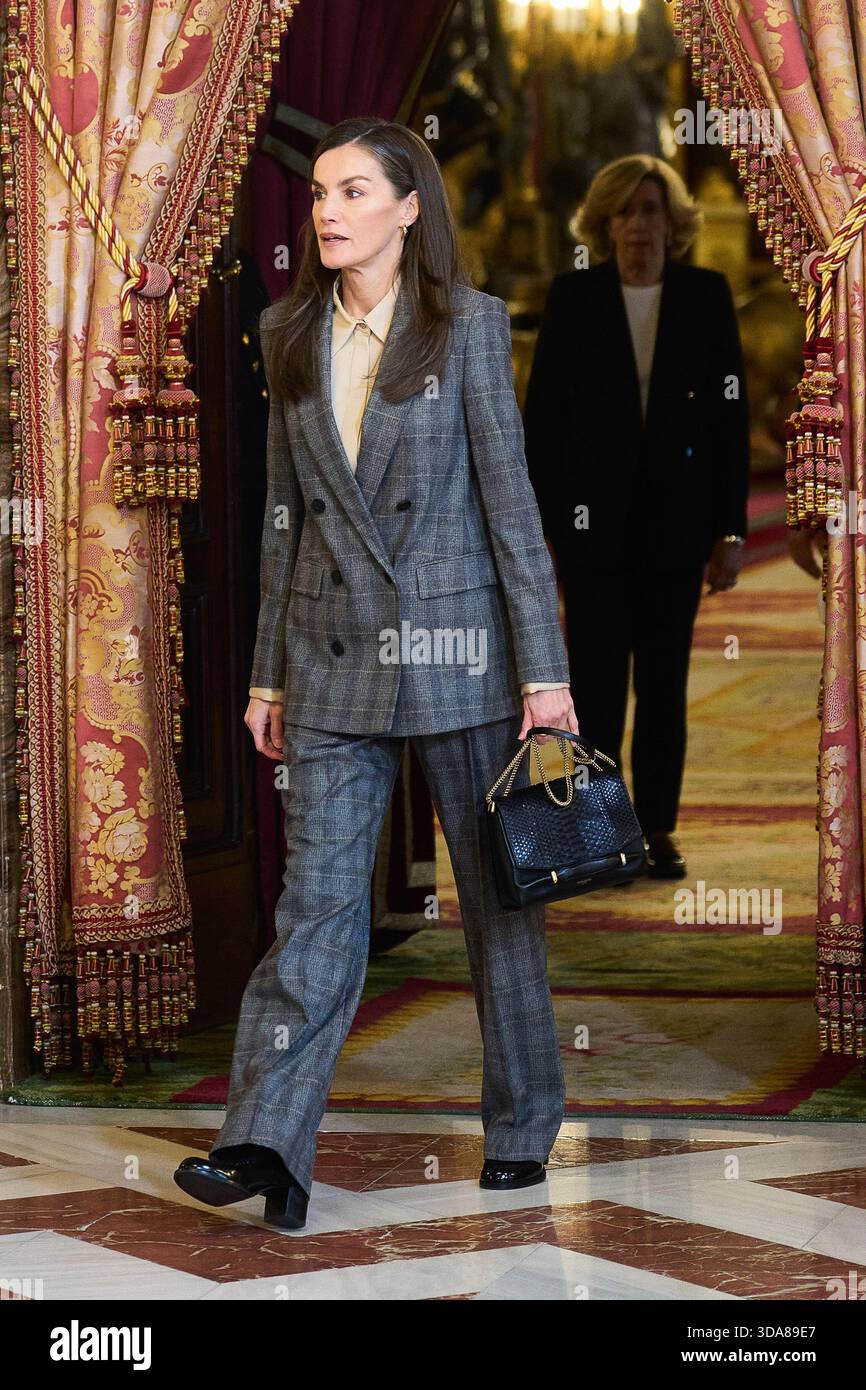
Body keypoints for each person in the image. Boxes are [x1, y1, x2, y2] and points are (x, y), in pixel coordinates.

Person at [173, 117, 579, 1229]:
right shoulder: (285, 331)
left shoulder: (469, 331)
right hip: (330, 656)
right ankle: (263, 1140)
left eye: (354, 191)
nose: (328, 211)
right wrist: (265, 680)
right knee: (313, 908)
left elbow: (512, 512)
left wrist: (544, 676)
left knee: (498, 907)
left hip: (461, 659)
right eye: (317, 194)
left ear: (409, 207)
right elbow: (283, 519)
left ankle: (521, 1121)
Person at [524, 154, 749, 880]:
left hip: (677, 531)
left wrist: (731, 529)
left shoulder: (705, 297)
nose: (638, 226)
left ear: (671, 223)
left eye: (650, 211)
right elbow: (545, 423)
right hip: (592, 535)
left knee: (662, 686)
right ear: (605, 225)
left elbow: (729, 420)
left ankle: (655, 830)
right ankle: (594, 837)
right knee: (591, 687)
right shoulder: (574, 298)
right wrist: (550, 527)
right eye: (625, 213)